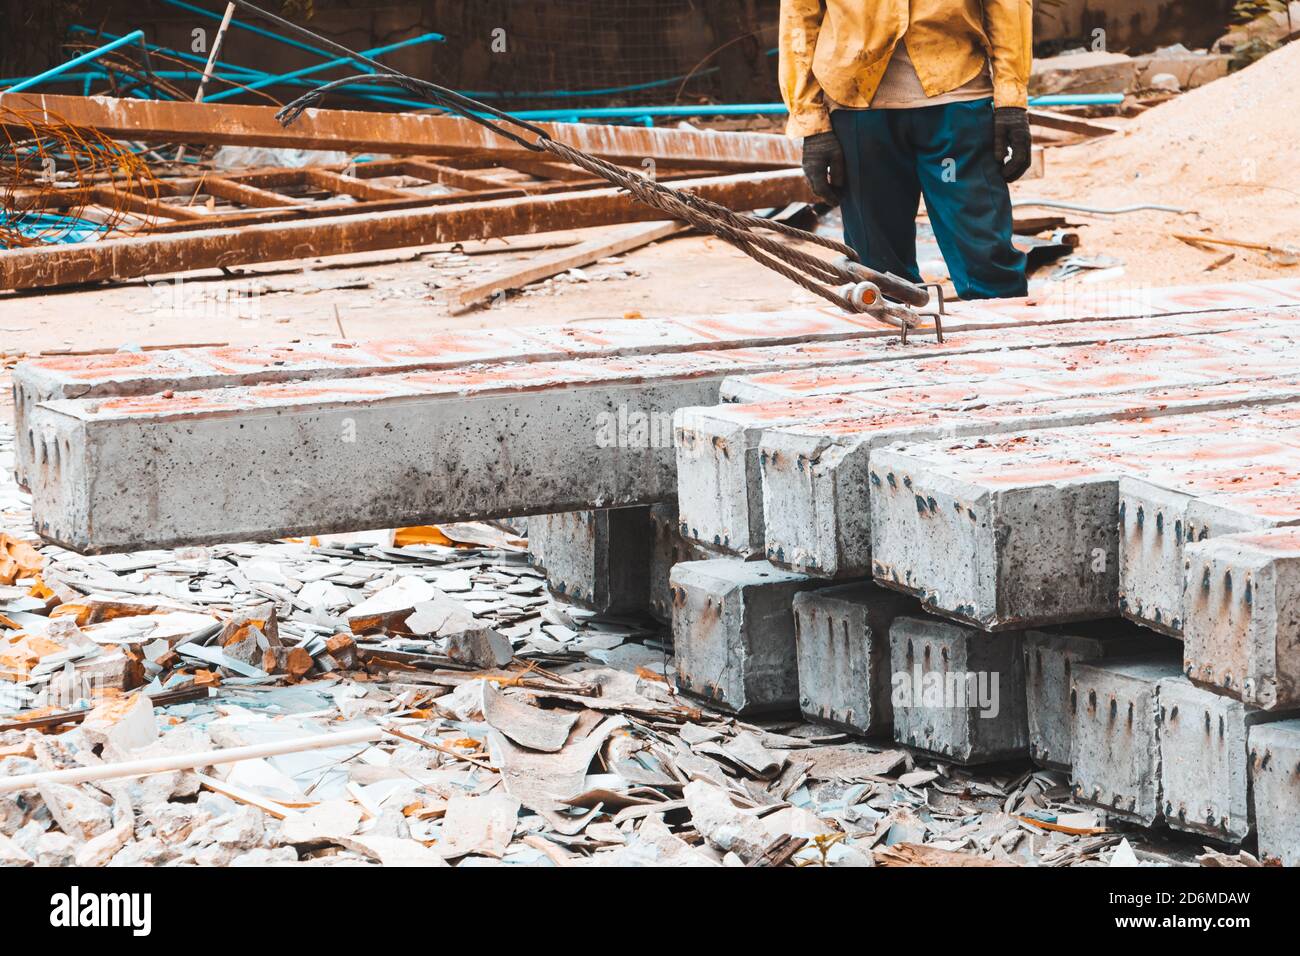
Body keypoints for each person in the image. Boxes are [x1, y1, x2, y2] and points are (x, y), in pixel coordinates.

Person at [780, 0, 1033, 300]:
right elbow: (800, 16)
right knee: (879, 275)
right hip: (857, 105)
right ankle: (895, 344)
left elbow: (1007, 6)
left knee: (987, 259)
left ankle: (1002, 338)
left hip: (957, 98)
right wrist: (812, 125)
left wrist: (1011, 102)